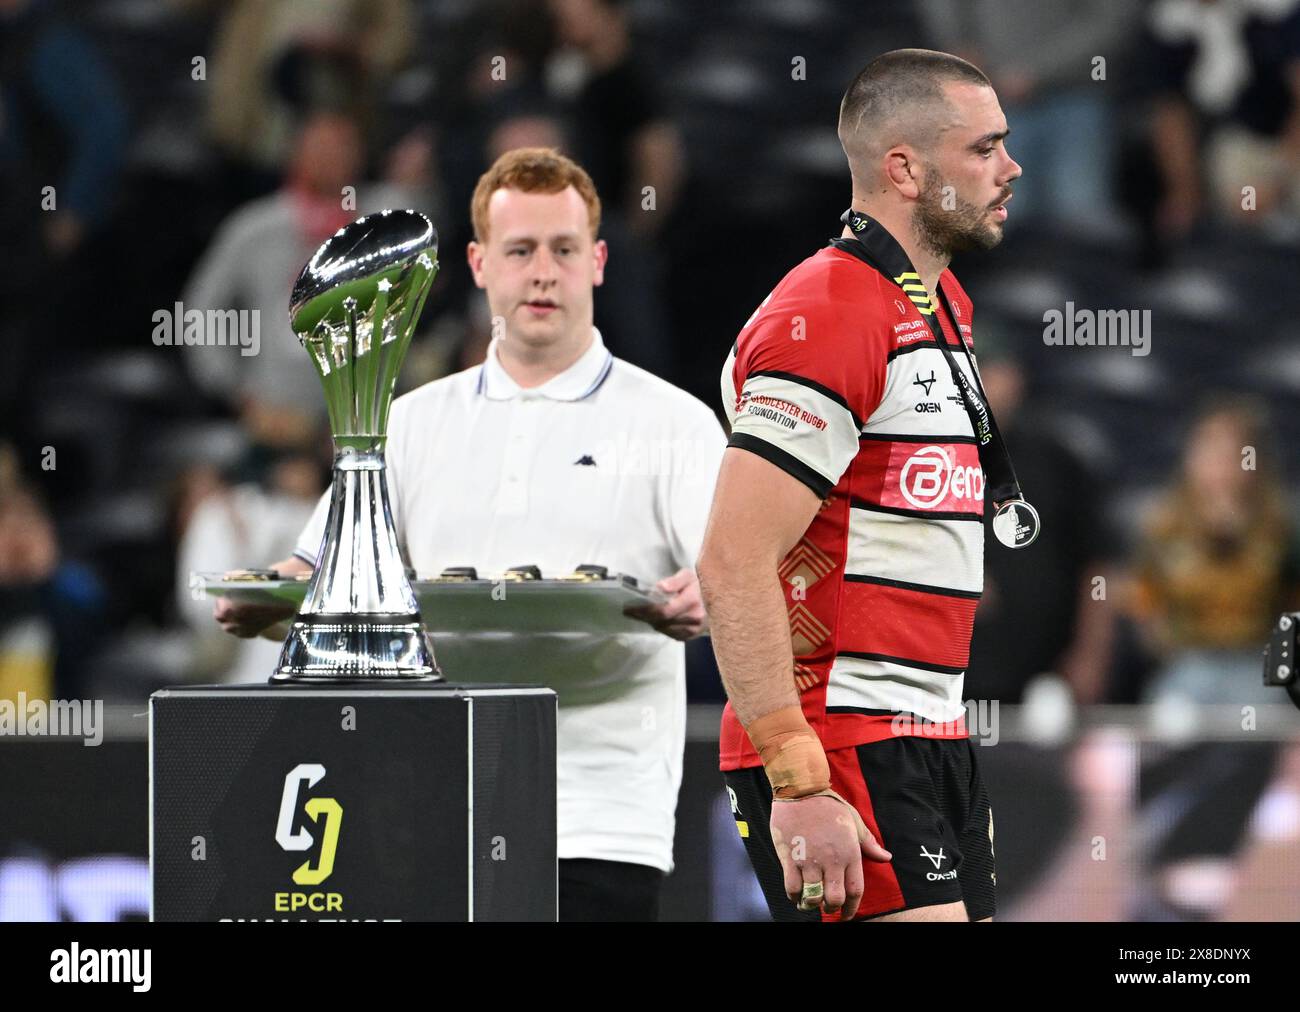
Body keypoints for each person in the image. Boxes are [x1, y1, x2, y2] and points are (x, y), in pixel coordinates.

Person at [212, 148, 726, 921]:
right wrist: (267, 598)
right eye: (520, 251)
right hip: (426, 809)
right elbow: (316, 566)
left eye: (564, 249)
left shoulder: (675, 425)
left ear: (599, 261)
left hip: (597, 814)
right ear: (480, 264)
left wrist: (708, 596)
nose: (543, 272)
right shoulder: (408, 422)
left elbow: (730, 571)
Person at [697, 49, 1021, 922]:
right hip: (838, 739)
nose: (1011, 168)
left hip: (924, 732)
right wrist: (796, 778)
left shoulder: (938, 306)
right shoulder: (832, 311)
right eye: (985, 148)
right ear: (905, 169)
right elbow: (732, 560)